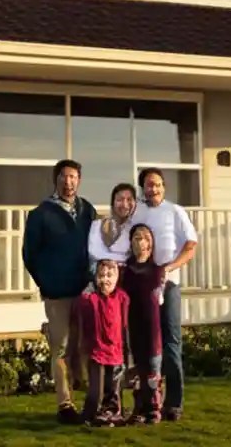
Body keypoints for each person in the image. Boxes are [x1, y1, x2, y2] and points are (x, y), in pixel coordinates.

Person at [21, 159, 98, 425]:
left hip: (85, 291)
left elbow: (96, 246)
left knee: (86, 346)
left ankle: (92, 401)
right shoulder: (41, 214)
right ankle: (65, 404)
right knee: (61, 347)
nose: (69, 182)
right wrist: (46, 282)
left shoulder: (87, 210)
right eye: (64, 177)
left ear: (79, 180)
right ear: (56, 180)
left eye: (74, 177)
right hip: (57, 294)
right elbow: (30, 255)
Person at [130, 167, 198, 421]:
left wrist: (168, 268)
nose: (153, 189)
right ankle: (147, 402)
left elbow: (191, 246)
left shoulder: (175, 211)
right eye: (148, 185)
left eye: (157, 184)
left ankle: (174, 402)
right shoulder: (137, 210)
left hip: (168, 286)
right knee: (143, 343)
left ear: (164, 186)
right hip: (141, 286)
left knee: (170, 342)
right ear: (142, 188)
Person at [120, 223, 167, 424]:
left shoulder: (157, 271)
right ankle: (139, 409)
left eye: (145, 238)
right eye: (137, 237)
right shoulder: (126, 271)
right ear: (131, 242)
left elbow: (160, 298)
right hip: (133, 326)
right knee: (139, 370)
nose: (141, 242)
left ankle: (154, 408)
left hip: (152, 327)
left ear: (151, 243)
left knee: (153, 370)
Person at [75, 259, 129, 427]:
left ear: (116, 277)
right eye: (101, 275)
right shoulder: (92, 298)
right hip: (97, 350)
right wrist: (86, 292)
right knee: (95, 389)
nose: (105, 280)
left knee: (113, 387)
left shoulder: (121, 297)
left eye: (109, 276)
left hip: (115, 350)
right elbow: (81, 308)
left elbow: (125, 323)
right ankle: (91, 413)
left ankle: (112, 412)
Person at [88, 183, 137, 268]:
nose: (125, 205)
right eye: (119, 200)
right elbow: (94, 253)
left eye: (129, 199)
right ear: (112, 203)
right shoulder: (97, 225)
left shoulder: (138, 230)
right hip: (103, 276)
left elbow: (139, 257)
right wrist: (123, 259)